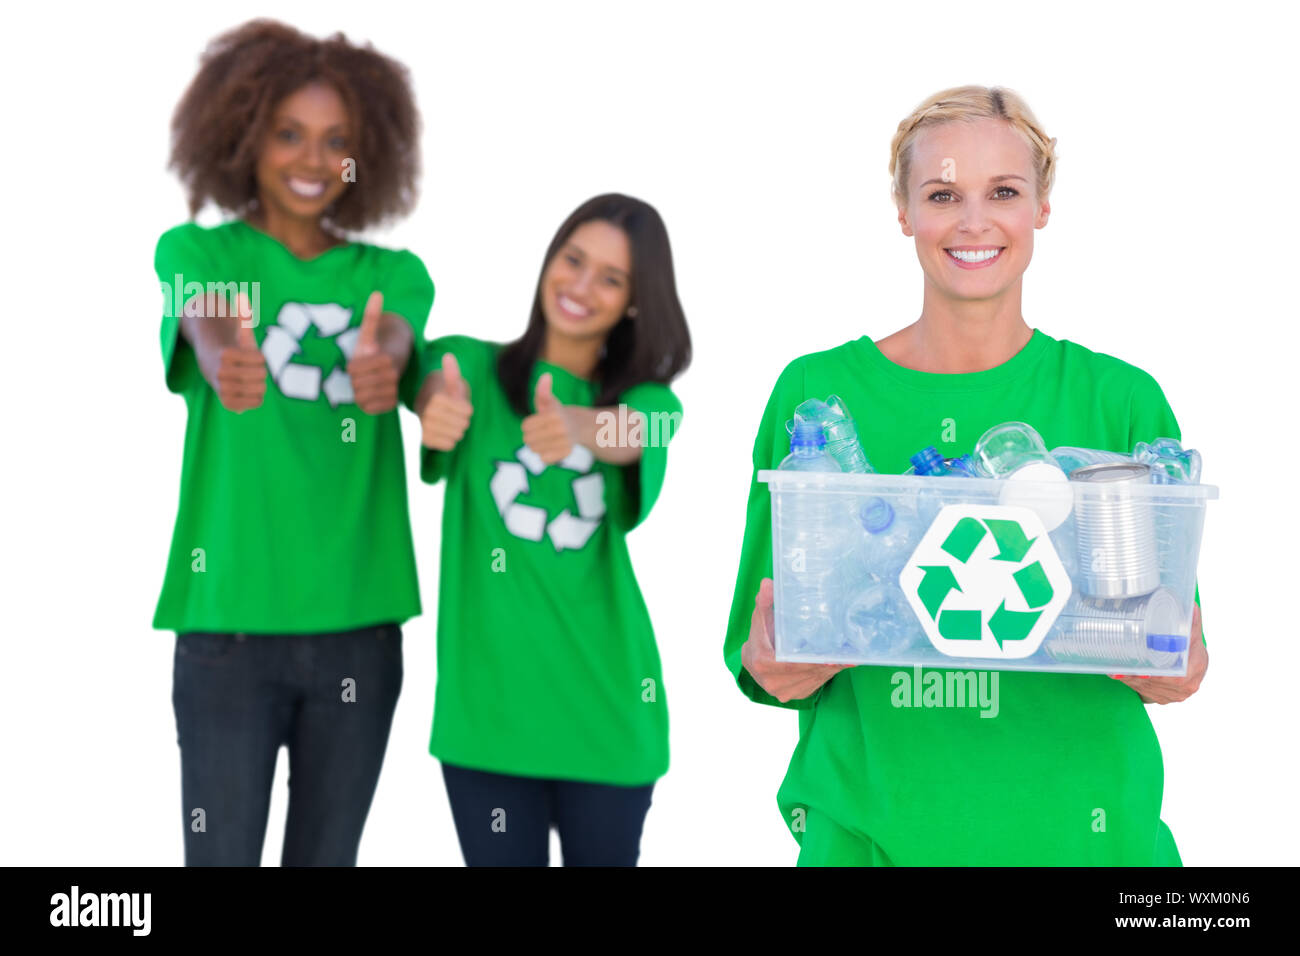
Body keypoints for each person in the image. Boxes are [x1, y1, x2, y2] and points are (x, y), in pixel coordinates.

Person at [724, 86, 1209, 866]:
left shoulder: (1120, 399)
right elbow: (757, 650)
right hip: (872, 843)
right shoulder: (816, 397)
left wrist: (1171, 665)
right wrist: (777, 662)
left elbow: (1176, 647)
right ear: (904, 210)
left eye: (1005, 193)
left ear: (1042, 207)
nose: (973, 221)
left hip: (1092, 848)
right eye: (943, 194)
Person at [154, 19, 433, 865]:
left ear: (366, 154)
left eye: (337, 141)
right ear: (243, 138)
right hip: (228, 629)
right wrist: (221, 355)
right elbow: (204, 315)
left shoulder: (393, 278)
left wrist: (385, 366)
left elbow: (396, 344)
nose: (314, 160)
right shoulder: (200, 252)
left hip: (359, 629)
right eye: (288, 135)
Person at [414, 194, 691, 866]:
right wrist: (434, 410)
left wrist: (580, 427)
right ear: (550, 258)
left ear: (633, 300)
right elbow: (425, 386)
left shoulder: (644, 402)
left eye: (611, 278)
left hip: (607, 716)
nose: (580, 285)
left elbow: (639, 432)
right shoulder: (468, 369)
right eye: (574, 260)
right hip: (488, 721)